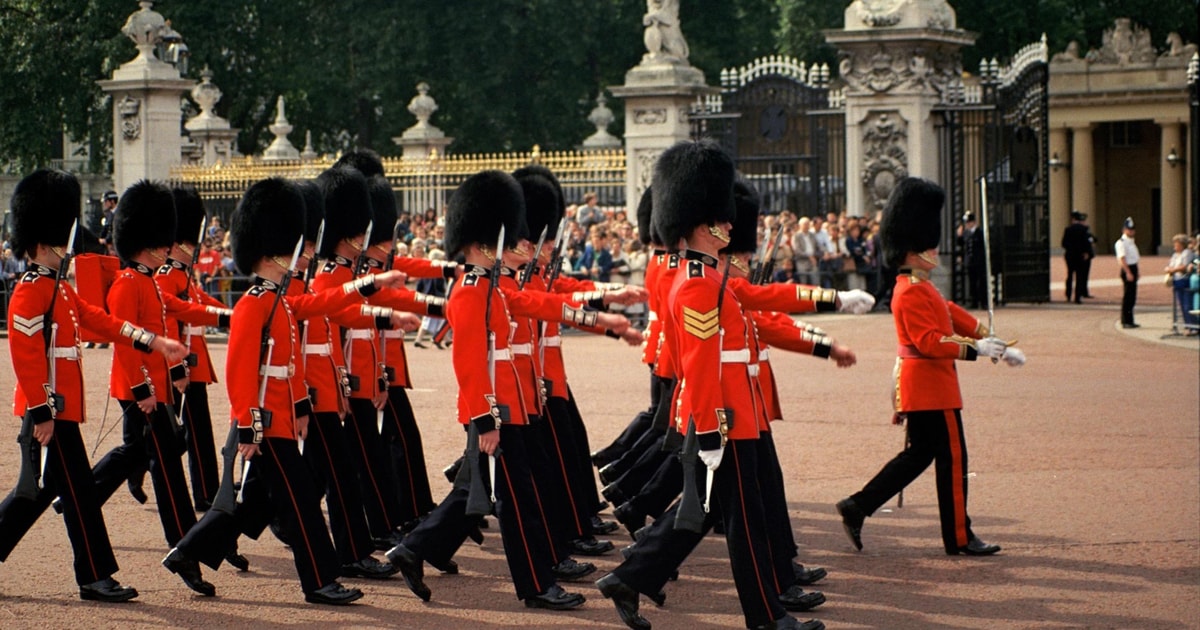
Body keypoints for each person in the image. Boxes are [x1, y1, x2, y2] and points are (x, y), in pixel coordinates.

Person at [386, 170, 630, 610]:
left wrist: (602, 317)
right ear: (483, 242)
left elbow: (541, 302)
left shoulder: (494, 285)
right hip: (497, 411)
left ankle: (415, 549)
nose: (519, 245)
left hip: (514, 405)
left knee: (483, 492)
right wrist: (485, 419)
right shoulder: (471, 288)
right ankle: (537, 585)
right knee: (518, 503)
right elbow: (468, 363)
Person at [161, 177, 409, 604]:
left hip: (281, 415)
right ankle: (319, 582)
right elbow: (241, 374)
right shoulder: (254, 304)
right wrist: (249, 427)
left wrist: (371, 284)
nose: (304, 255)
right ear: (278, 251)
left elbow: (319, 312)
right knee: (302, 504)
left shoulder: (280, 299)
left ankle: (189, 551)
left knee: (269, 497)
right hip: (264, 421)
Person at [0, 169, 187, 603]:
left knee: (38, 495)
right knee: (80, 495)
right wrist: (42, 414)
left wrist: (152, 340)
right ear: (43, 243)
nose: (68, 248)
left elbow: (99, 319)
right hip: (50, 410)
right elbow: (26, 359)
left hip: (61, 409)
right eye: (61, 241)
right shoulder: (31, 291)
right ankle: (95, 576)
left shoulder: (57, 291)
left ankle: (94, 574)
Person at [835, 177, 1026, 557]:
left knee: (919, 456)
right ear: (911, 248)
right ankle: (959, 536)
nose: (935, 248)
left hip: (927, 385)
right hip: (931, 386)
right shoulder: (909, 291)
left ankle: (858, 506)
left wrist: (995, 342)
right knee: (953, 460)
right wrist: (977, 350)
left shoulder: (920, 286)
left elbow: (952, 316)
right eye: (928, 243)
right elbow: (930, 341)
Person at [1165, 234, 1197, 334]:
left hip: (1185, 281)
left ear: (1182, 245)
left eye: (1176, 244)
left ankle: (1193, 326)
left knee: (1188, 305)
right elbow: (1170, 266)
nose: (1175, 246)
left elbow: (1183, 267)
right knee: (1182, 306)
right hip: (1177, 281)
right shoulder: (1175, 255)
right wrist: (1172, 269)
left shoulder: (1187, 253)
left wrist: (1173, 269)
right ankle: (1187, 326)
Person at [1061, 210, 1095, 303]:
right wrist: (1086, 252)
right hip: (1080, 256)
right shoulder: (1083, 229)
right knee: (1079, 276)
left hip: (1070, 255)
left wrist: (1071, 248)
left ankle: (1068, 295)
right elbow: (1086, 243)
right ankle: (1077, 297)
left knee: (1070, 275)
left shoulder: (1068, 229)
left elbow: (1064, 243)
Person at [1115, 217, 1140, 328]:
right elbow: (1122, 259)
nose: (1131, 231)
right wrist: (1128, 272)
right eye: (1128, 229)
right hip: (1127, 268)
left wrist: (1136, 271)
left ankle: (1130, 320)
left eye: (1132, 229)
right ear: (1123, 230)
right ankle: (1125, 321)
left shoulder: (1131, 242)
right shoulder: (1121, 242)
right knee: (1128, 296)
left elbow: (1134, 258)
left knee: (1132, 296)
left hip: (1133, 267)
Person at [958, 213, 986, 308]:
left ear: (973, 222)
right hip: (970, 261)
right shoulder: (966, 233)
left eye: (968, 222)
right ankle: (973, 302)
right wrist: (959, 236)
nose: (967, 224)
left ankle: (983, 302)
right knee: (972, 282)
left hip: (979, 261)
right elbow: (962, 245)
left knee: (981, 281)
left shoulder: (980, 232)